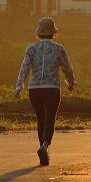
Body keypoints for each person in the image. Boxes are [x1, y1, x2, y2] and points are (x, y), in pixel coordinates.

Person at [13, 17, 75, 166]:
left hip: (34, 90)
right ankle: (44, 146)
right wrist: (71, 82)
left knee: (41, 119)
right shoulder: (59, 48)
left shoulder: (31, 48)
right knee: (50, 119)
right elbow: (67, 68)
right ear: (53, 33)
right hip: (52, 88)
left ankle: (43, 149)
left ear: (38, 33)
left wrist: (19, 86)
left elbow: (25, 68)